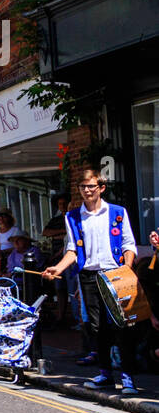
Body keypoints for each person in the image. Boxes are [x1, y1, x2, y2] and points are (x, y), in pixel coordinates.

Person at [43, 166, 140, 396]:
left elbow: (128, 244)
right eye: (83, 187)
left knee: (121, 325)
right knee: (96, 327)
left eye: (91, 187)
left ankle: (127, 377)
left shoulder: (117, 212)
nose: (87, 191)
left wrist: (126, 269)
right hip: (88, 276)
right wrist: (57, 268)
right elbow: (72, 250)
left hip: (114, 274)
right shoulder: (73, 217)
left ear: (101, 188)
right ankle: (106, 374)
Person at [42, 192, 71, 324]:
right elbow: (45, 232)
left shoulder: (72, 218)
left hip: (67, 256)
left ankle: (76, 317)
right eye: (60, 204)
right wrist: (63, 232)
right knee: (59, 287)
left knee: (71, 287)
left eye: (64, 203)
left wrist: (60, 237)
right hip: (56, 259)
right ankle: (61, 315)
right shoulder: (56, 220)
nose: (63, 206)